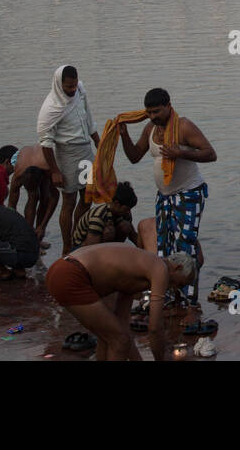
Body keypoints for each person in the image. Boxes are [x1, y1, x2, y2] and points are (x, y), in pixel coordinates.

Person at [118, 87, 216, 304]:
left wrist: (180, 153)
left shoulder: (184, 126)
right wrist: (124, 136)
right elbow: (134, 156)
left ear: (169, 107)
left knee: (186, 247)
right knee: (164, 247)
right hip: (164, 196)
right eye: (149, 113)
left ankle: (190, 301)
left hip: (189, 193)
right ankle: (169, 294)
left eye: (157, 112)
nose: (153, 117)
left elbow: (211, 154)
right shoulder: (149, 129)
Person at [45, 243, 195, 361]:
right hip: (71, 275)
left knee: (109, 336)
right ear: (177, 267)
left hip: (60, 269)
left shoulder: (137, 270)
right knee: (119, 339)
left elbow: (122, 322)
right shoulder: (160, 268)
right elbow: (155, 328)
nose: (176, 289)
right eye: (180, 284)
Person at [36, 65, 99, 254]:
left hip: (85, 152)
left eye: (73, 86)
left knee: (87, 197)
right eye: (68, 87)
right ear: (59, 84)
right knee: (69, 200)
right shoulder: (51, 107)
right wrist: (55, 170)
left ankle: (77, 236)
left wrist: (99, 143)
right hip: (67, 155)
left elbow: (89, 119)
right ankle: (67, 246)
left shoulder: (80, 90)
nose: (72, 90)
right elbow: (46, 142)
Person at [7, 145, 60, 243]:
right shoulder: (17, 176)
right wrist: (23, 228)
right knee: (34, 197)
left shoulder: (47, 170)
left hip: (44, 158)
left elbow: (55, 197)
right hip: (24, 157)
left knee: (44, 197)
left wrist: (43, 226)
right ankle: (30, 237)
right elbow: (11, 206)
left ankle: (38, 236)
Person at [72, 181, 138, 249]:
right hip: (81, 247)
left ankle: (114, 250)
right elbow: (90, 246)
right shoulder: (98, 217)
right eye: (126, 209)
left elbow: (133, 235)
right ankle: (109, 254)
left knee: (126, 226)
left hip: (98, 242)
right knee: (109, 232)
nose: (128, 212)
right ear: (117, 204)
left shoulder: (125, 213)